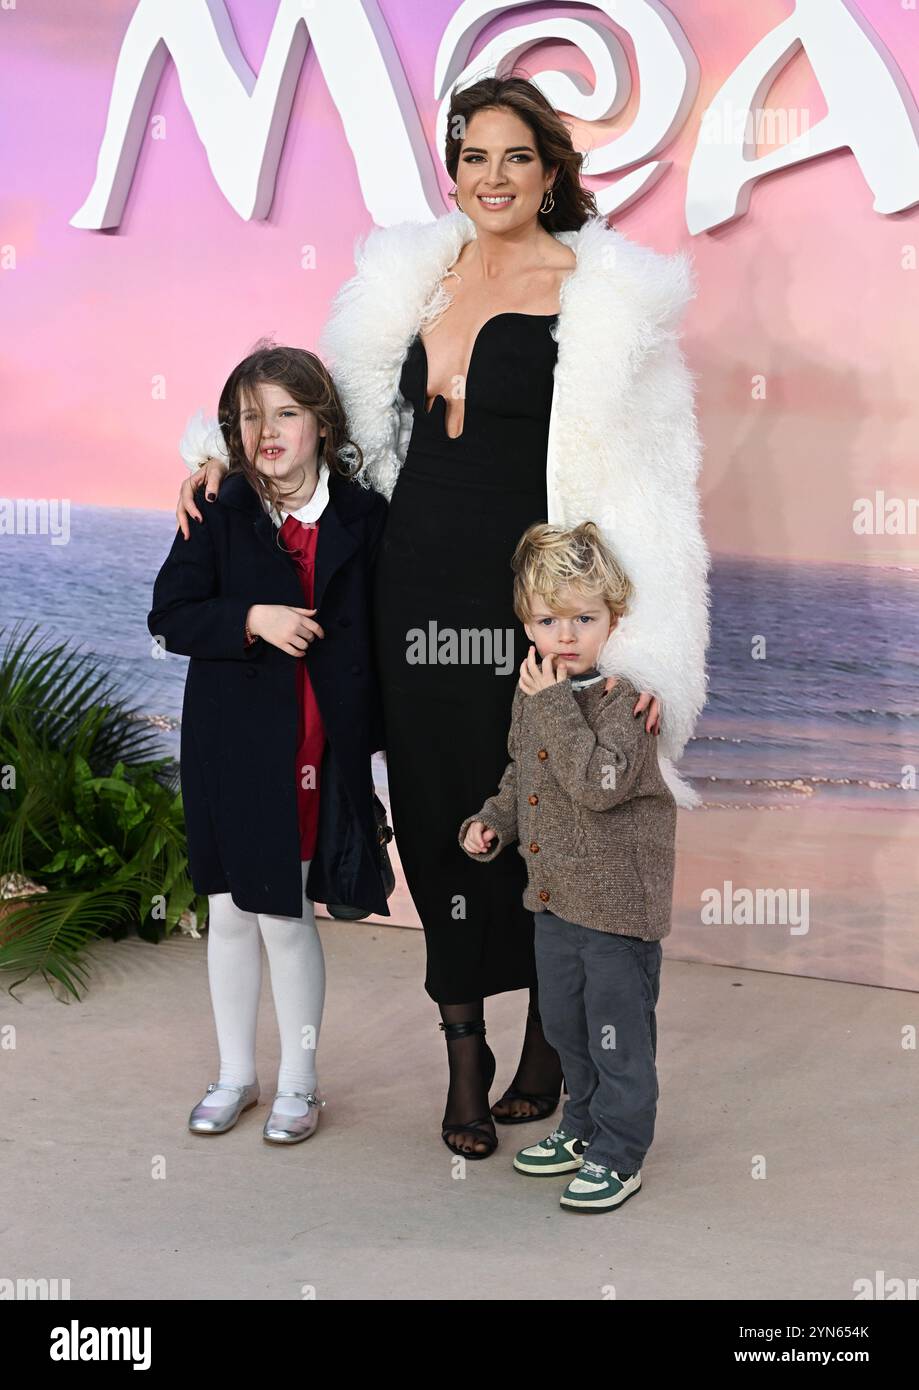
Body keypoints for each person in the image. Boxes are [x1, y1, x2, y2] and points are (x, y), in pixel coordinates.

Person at [175, 74, 708, 1160]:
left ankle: (549, 1050)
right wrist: (213, 454)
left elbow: (651, 487)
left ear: (551, 168)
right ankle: (463, 1052)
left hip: (520, 600)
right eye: (473, 157)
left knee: (540, 818)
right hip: (408, 594)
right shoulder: (414, 278)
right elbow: (327, 408)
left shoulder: (602, 298)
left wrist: (647, 654)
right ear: (453, 171)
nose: (493, 177)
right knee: (433, 817)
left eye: (516, 157)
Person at [148, 344, 388, 1145]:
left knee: (283, 912)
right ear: (232, 429)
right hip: (229, 739)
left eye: (286, 412)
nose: (268, 430)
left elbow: (386, 636)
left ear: (323, 421)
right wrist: (253, 618)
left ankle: (299, 1085)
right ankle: (234, 1076)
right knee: (228, 909)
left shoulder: (365, 515)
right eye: (252, 416)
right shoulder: (218, 508)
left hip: (315, 745)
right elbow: (172, 617)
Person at [460, 522, 675, 1206]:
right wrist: (493, 822)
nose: (566, 634)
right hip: (554, 901)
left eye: (584, 618)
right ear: (527, 622)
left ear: (613, 617)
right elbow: (524, 773)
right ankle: (581, 1127)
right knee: (566, 1029)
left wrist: (550, 703)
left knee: (618, 1039)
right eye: (549, 620)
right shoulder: (540, 696)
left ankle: (620, 1152)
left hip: (615, 911)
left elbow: (597, 785)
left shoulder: (627, 703)